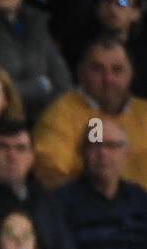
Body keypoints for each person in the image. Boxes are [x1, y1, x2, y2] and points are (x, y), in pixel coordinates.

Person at [33, 38, 147, 191]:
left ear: (131, 75)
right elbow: (49, 175)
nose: (108, 79)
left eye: (117, 70)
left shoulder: (143, 112)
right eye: (98, 69)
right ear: (81, 74)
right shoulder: (61, 113)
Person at [54, 117, 147, 249]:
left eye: (111, 146)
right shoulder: (58, 203)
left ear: (127, 154)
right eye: (95, 145)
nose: (103, 153)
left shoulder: (141, 202)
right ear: (82, 152)